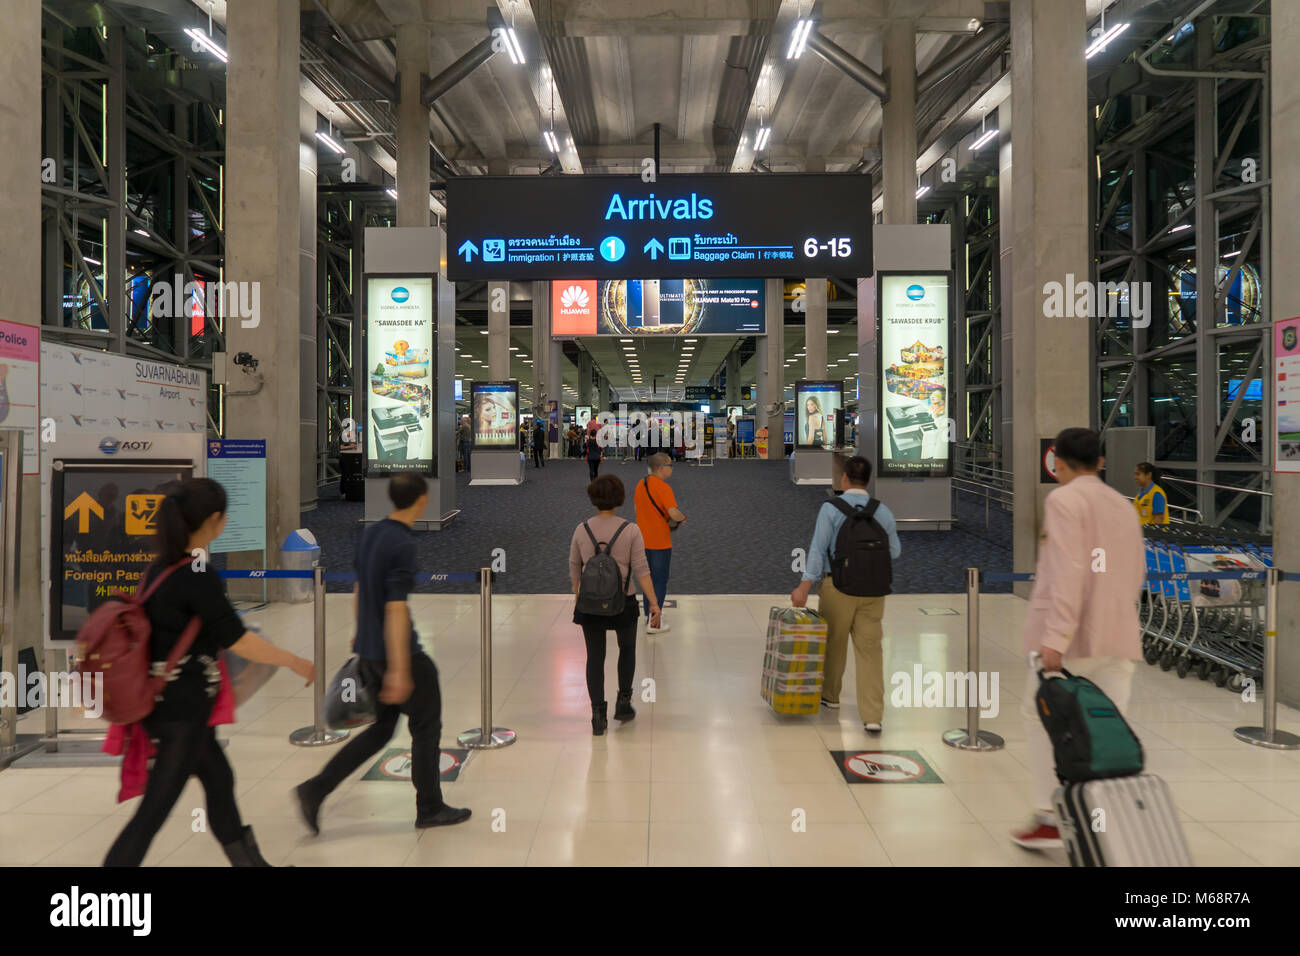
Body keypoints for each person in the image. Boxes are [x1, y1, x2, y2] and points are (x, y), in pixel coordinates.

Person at [105, 478, 316, 866]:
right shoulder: (197, 576)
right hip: (180, 714)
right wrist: (293, 660)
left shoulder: (160, 568)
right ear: (215, 521)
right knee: (152, 814)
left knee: (220, 781)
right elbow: (237, 640)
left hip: (174, 706)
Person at [297, 473, 470, 833]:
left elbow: (360, 585)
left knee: (382, 728)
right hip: (397, 654)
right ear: (421, 499)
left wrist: (360, 635)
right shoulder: (403, 543)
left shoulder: (373, 532)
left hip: (371, 651)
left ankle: (316, 788)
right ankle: (430, 807)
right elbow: (395, 608)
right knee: (426, 726)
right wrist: (400, 670)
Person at [1011, 427, 1145, 850]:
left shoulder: (1065, 500)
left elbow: (1069, 572)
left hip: (1072, 643)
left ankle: (1051, 816)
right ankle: (1102, 818)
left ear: (1059, 464)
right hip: (1119, 632)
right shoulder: (1123, 505)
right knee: (1106, 729)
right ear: (1101, 463)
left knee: (1040, 718)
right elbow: (1135, 570)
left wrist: (1056, 637)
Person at [790, 456, 900, 733]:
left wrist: (804, 585)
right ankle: (873, 715)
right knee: (871, 651)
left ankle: (831, 696)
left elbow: (818, 548)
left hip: (837, 585)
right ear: (870, 480)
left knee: (834, 643)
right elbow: (895, 551)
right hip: (874, 590)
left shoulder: (832, 508)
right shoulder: (882, 511)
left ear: (844, 479)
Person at [569, 474, 661, 734]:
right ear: (619, 499)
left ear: (593, 497)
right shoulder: (630, 530)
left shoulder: (581, 528)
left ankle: (598, 716)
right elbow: (642, 569)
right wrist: (653, 603)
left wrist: (578, 596)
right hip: (625, 601)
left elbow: (575, 566)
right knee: (627, 649)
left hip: (589, 604)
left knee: (595, 657)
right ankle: (623, 703)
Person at [634, 452, 686, 634]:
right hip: (660, 542)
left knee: (647, 580)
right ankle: (655, 621)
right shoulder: (664, 488)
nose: (672, 468)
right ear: (661, 467)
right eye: (670, 465)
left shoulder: (641, 484)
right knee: (660, 581)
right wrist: (683, 517)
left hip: (641, 541)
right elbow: (672, 512)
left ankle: (649, 615)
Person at [1133, 461, 1169, 526]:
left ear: (1148, 475)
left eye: (1138, 474)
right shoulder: (1140, 495)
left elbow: (1159, 518)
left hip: (1152, 534)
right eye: (1135, 474)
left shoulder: (1156, 493)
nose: (1135, 477)